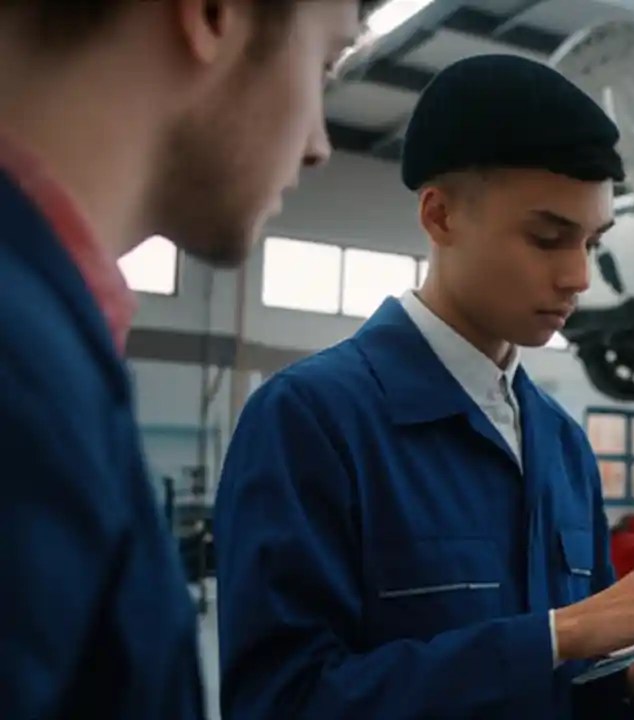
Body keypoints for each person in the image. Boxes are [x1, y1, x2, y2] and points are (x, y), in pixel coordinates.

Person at [214, 53, 634, 720]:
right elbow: (281, 703)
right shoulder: (312, 421)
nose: (578, 277)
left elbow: (561, 694)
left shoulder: (561, 445)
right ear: (441, 217)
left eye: (592, 243)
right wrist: (560, 636)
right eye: (547, 238)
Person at [0, 1, 368, 717]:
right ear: (210, 14)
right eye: (324, 63)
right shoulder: (21, 380)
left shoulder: (48, 347)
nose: (319, 143)